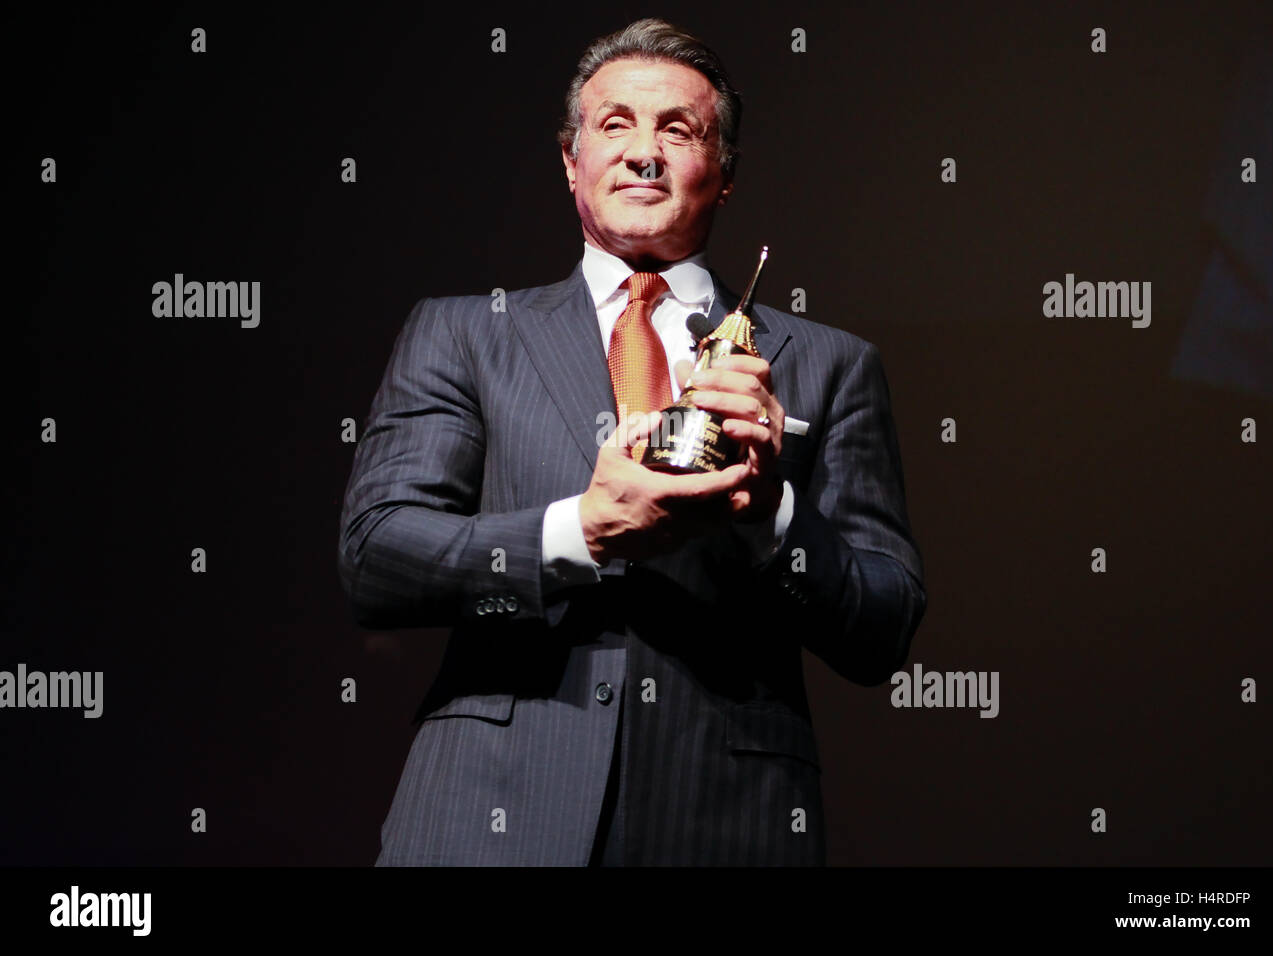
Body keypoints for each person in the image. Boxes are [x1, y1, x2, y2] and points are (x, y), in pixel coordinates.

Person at [338, 17, 926, 866]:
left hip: (727, 822)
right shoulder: (467, 334)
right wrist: (581, 532)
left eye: (677, 130)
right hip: (490, 814)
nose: (644, 153)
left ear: (722, 174)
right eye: (615, 125)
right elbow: (377, 557)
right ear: (571, 162)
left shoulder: (831, 364)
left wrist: (770, 515)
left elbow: (884, 627)